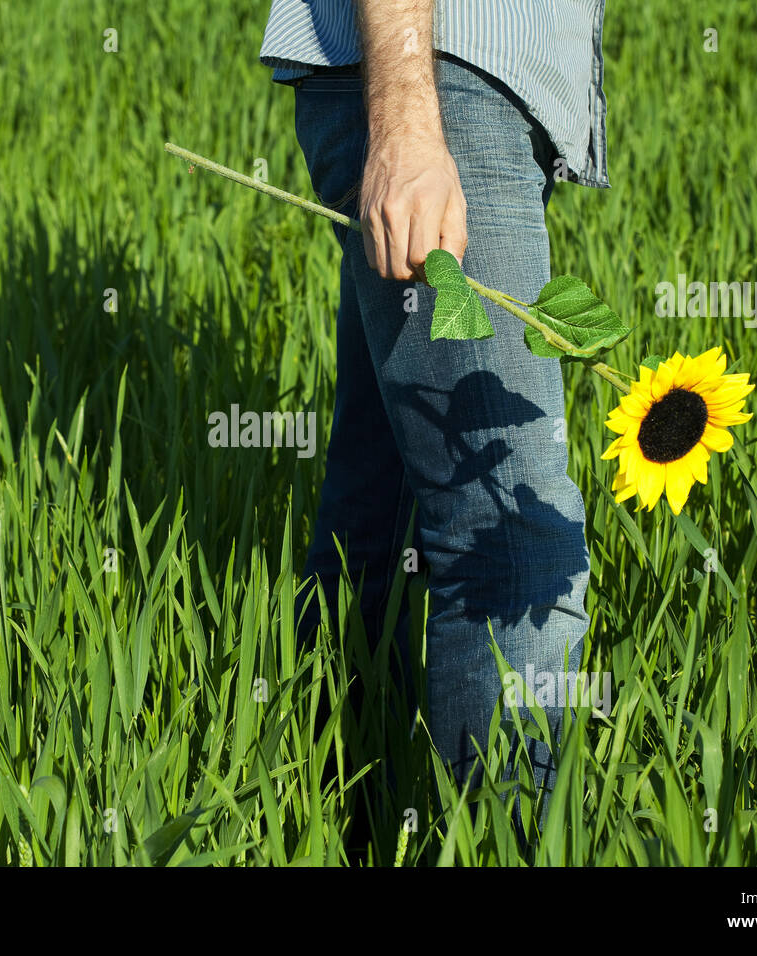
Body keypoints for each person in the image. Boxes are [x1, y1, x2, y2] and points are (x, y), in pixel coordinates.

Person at [258, 0, 608, 814]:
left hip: (439, 85)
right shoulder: (431, 104)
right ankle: (503, 839)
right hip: (439, 89)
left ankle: (326, 820)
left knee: (376, 515)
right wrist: (410, 124)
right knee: (516, 547)